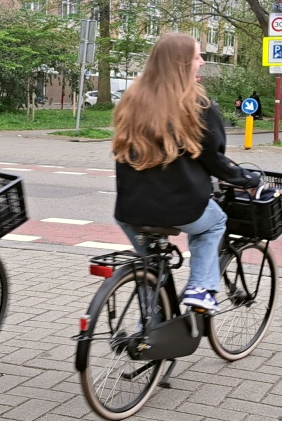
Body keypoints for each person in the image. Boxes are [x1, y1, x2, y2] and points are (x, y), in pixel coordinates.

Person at [112, 32, 262, 311]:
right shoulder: (198, 106)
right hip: (181, 208)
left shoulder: (130, 100)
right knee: (214, 222)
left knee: (151, 271)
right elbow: (214, 160)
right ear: (180, 64)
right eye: (196, 57)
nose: (202, 62)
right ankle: (201, 288)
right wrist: (246, 179)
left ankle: (149, 333)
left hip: (129, 209)